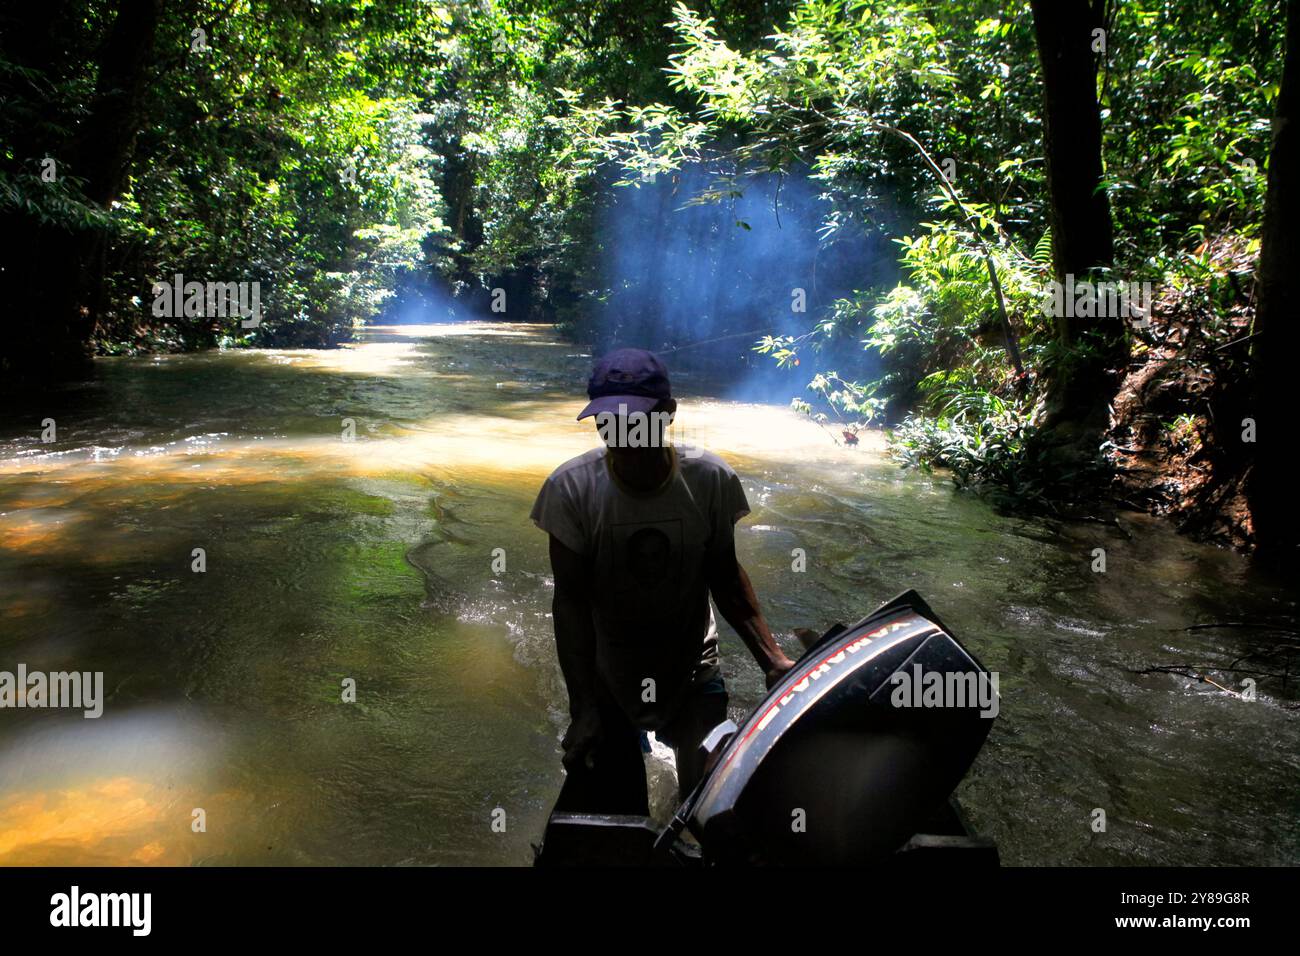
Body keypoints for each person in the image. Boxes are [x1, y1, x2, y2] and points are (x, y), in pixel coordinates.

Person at [530, 347, 795, 815]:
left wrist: (771, 659)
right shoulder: (571, 490)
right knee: (618, 812)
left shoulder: (709, 479)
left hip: (693, 664)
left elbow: (724, 575)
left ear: (668, 415)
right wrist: (583, 706)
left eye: (637, 422)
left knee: (707, 808)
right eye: (608, 423)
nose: (624, 436)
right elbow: (569, 604)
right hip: (609, 669)